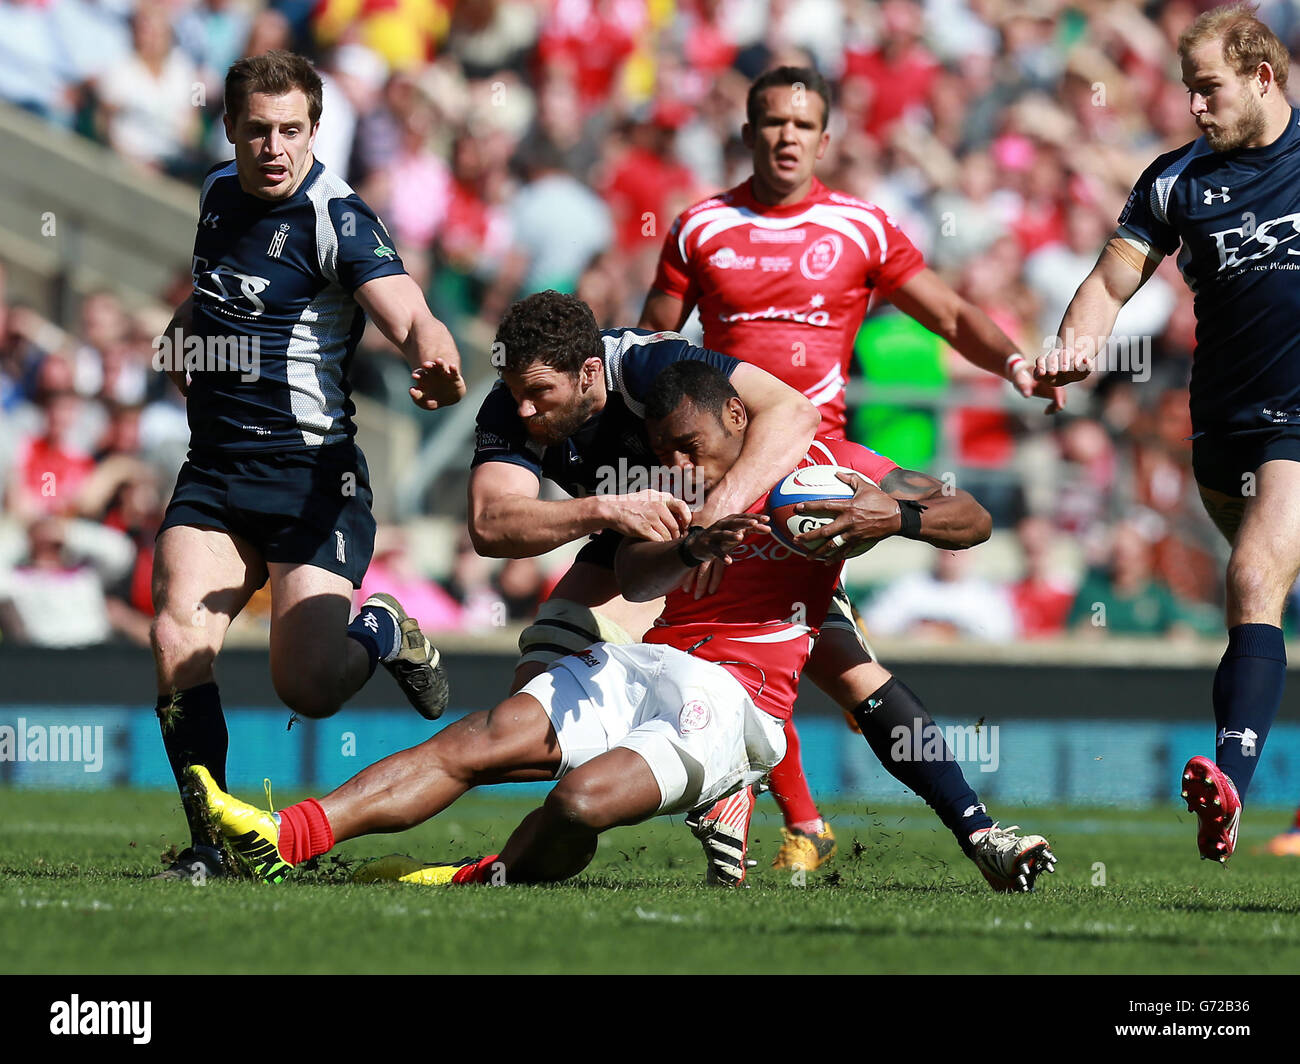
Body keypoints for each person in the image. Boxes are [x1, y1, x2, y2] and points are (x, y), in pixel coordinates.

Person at [187, 360, 1056, 892]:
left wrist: (890, 520)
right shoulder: (679, 492)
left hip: (737, 698)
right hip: (646, 659)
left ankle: (494, 874)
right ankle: (286, 840)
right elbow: (634, 577)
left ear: (738, 421)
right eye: (666, 449)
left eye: (691, 446)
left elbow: (969, 513)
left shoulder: (833, 470)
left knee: (579, 800)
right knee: (483, 737)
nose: (678, 464)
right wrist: (686, 544)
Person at [639, 65, 1063, 872]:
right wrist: (653, 473)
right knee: (821, 651)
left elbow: (946, 311)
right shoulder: (700, 227)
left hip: (817, 471)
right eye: (771, 122)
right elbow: (653, 349)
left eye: (802, 124)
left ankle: (765, 799)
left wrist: (1013, 363)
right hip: (723, 470)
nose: (787, 136)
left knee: (760, 642)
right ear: (748, 133)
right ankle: (891, 824)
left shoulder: (861, 227)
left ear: (825, 138)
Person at [150, 51, 465, 881]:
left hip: (311, 479)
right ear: (230, 130)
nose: (274, 147)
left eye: (292, 130)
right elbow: (214, 292)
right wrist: (184, 337)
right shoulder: (218, 193)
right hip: (215, 470)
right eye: (257, 129)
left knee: (309, 689)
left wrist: (434, 354)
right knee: (178, 634)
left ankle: (381, 628)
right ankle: (210, 844)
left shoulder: (338, 217)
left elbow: (407, 309)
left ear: (316, 130)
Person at [1034, 3, 1295, 862]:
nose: (1195, 106)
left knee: (1253, 578)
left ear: (1263, 77)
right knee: (1268, 592)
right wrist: (1072, 350)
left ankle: (1230, 788)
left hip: (1293, 430)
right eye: (1187, 90)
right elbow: (1110, 285)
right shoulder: (1175, 179)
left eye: (1210, 88)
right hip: (1221, 433)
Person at [469, 288, 820, 877]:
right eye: (515, 391)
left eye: (538, 393)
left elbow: (795, 413)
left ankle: (969, 828)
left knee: (855, 678)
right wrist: (603, 510)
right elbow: (490, 524)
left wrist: (711, 520)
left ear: (587, 373)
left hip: (742, 530)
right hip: (639, 541)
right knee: (532, 710)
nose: (524, 409)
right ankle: (721, 786)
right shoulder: (510, 406)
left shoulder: (647, 366)